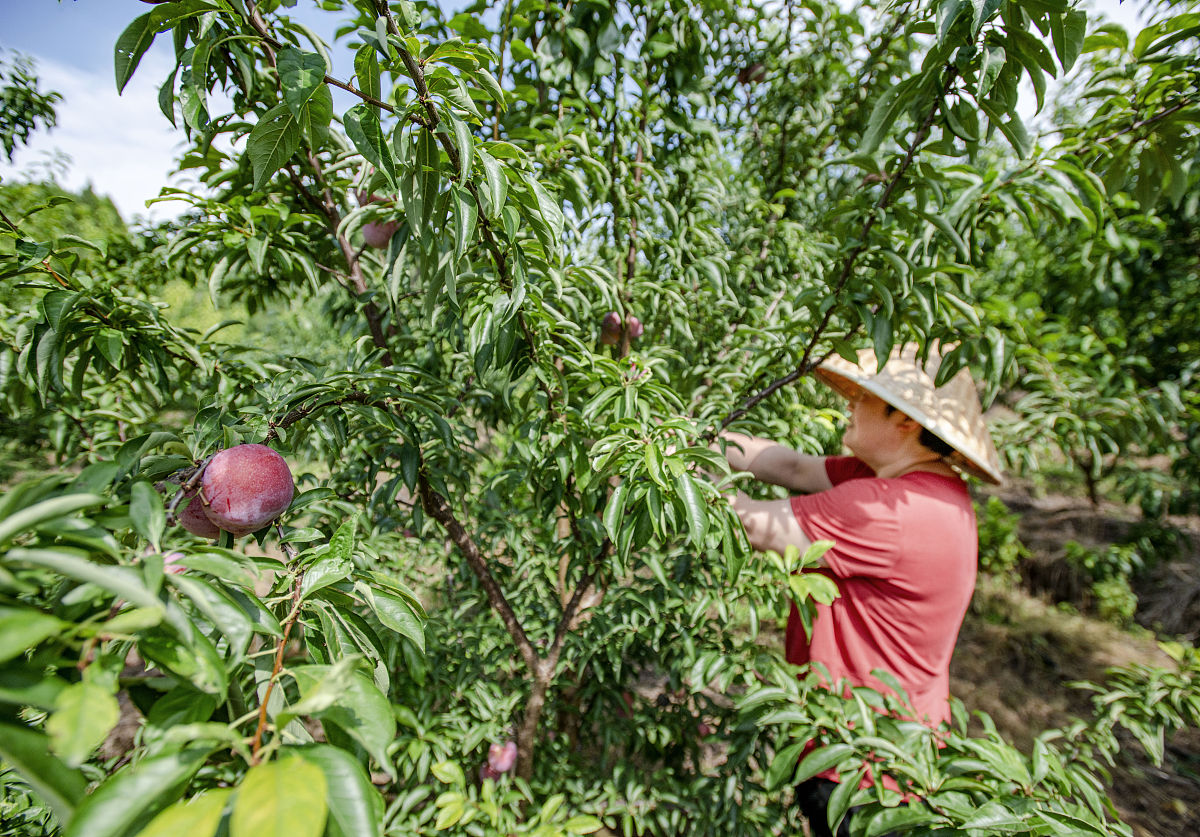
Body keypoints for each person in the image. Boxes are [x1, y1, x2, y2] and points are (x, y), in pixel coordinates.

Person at [718, 344, 1003, 837]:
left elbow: (755, 525)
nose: (850, 402)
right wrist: (696, 438)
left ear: (906, 421)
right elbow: (790, 468)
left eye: (865, 396)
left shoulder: (886, 509)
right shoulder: (924, 486)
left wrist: (663, 463)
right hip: (901, 747)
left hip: (859, 764)